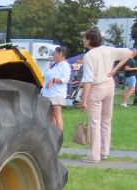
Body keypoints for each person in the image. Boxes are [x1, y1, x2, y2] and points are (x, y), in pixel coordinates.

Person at [79, 29, 137, 163]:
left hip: (96, 88)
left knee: (95, 122)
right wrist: (115, 69)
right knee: (106, 120)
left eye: (84, 38)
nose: (83, 41)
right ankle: (104, 151)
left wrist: (84, 99)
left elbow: (88, 78)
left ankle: (94, 155)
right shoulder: (109, 50)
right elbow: (132, 52)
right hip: (109, 86)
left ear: (89, 40)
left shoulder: (89, 56)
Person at [40, 46, 71, 130]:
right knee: (50, 115)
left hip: (57, 94)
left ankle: (59, 135)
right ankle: (53, 134)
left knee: (57, 114)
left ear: (60, 54)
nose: (54, 55)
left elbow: (65, 79)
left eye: (55, 53)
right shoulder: (55, 64)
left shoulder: (65, 65)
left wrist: (53, 80)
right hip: (48, 93)